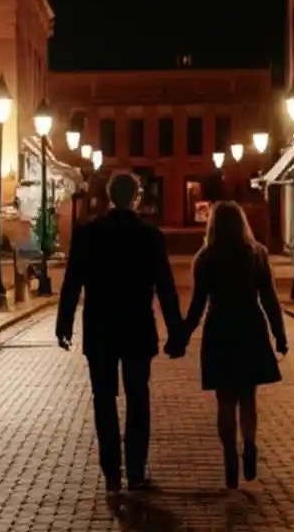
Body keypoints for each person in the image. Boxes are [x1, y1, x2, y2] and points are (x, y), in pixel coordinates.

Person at [56, 172, 183, 494]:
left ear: (110, 196)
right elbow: (165, 286)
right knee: (138, 397)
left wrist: (64, 323)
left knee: (104, 399)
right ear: (136, 197)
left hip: (100, 328)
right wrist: (176, 330)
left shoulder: (88, 234)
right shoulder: (149, 236)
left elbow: (73, 282)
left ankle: (111, 470)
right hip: (137, 326)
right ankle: (136, 470)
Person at [168, 201, 288, 489]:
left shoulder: (206, 258)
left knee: (225, 399)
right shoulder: (256, 254)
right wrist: (279, 334)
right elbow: (269, 298)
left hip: (219, 328)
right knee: (247, 396)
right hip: (250, 326)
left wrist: (182, 336)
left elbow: (197, 306)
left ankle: (229, 455)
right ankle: (249, 442)